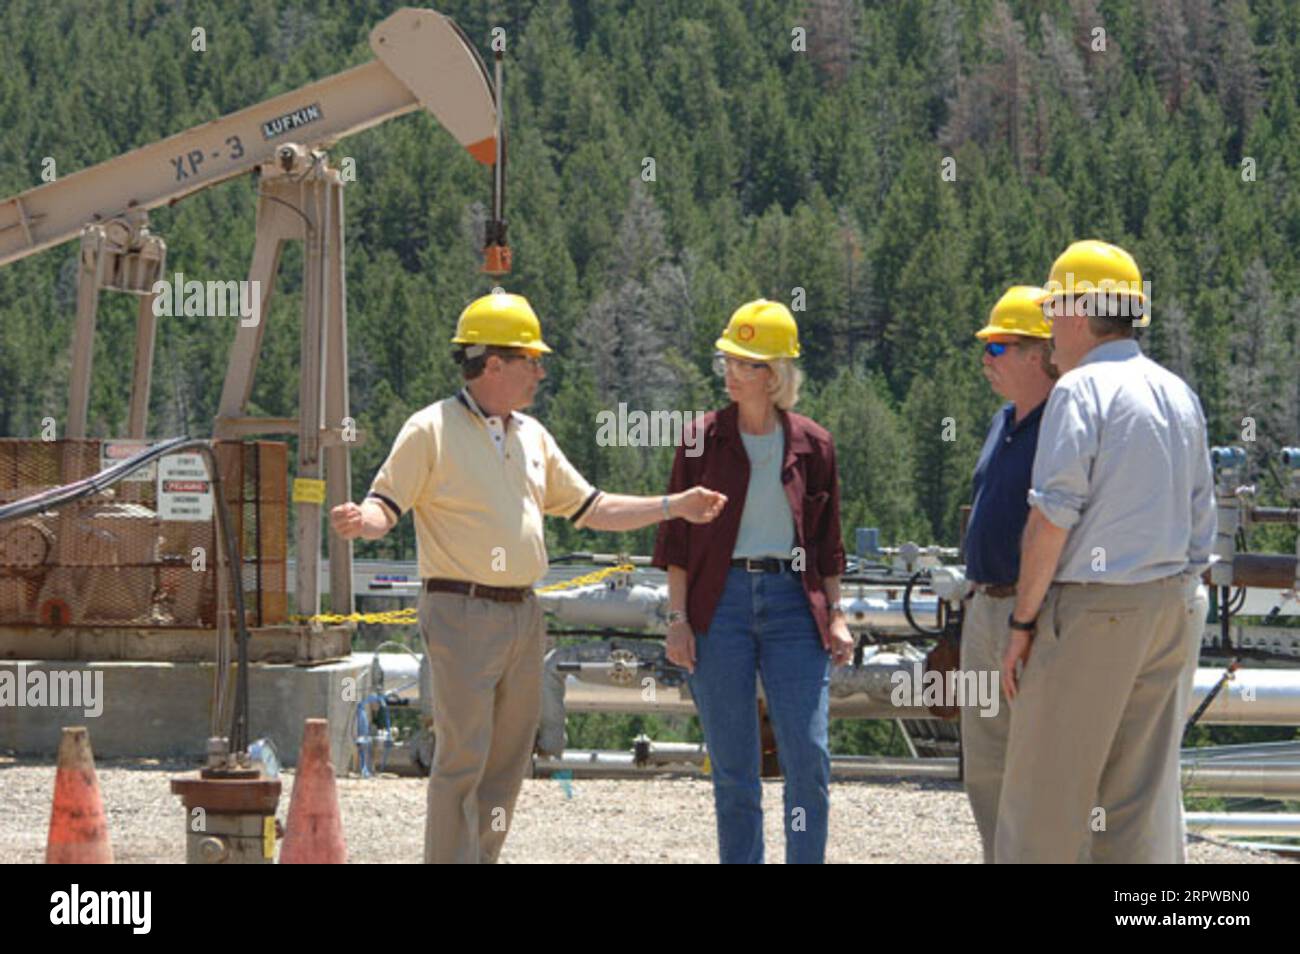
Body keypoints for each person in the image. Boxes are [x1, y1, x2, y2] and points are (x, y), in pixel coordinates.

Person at [331, 290, 726, 864]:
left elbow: (593, 507)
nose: (540, 371)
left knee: (510, 759)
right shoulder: (429, 429)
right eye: (531, 360)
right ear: (494, 364)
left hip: (523, 613)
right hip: (460, 611)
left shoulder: (533, 436)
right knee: (462, 756)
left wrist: (674, 505)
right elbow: (384, 506)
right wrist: (360, 521)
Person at [997, 241, 1216, 863]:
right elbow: (1203, 520)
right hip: (1174, 606)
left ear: (1075, 311)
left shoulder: (1081, 389)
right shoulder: (1176, 392)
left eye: (1052, 311)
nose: (1047, 329)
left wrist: (1022, 621)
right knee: (1139, 804)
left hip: (1096, 612)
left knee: (1043, 802)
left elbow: (1052, 518)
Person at [653, 299, 854, 864]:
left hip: (796, 605)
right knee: (735, 768)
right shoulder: (699, 439)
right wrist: (678, 620)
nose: (733, 373)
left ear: (778, 376)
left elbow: (827, 543)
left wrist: (836, 614)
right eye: (730, 361)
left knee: (808, 756)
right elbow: (676, 543)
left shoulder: (816, 444)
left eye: (749, 364)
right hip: (720, 607)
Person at [959, 286, 1056, 862]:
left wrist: (1027, 614)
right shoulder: (1003, 421)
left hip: (1033, 613)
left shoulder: (1064, 423)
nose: (986, 360)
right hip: (985, 610)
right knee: (986, 765)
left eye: (997, 346)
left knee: (1038, 764)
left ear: (1036, 353)